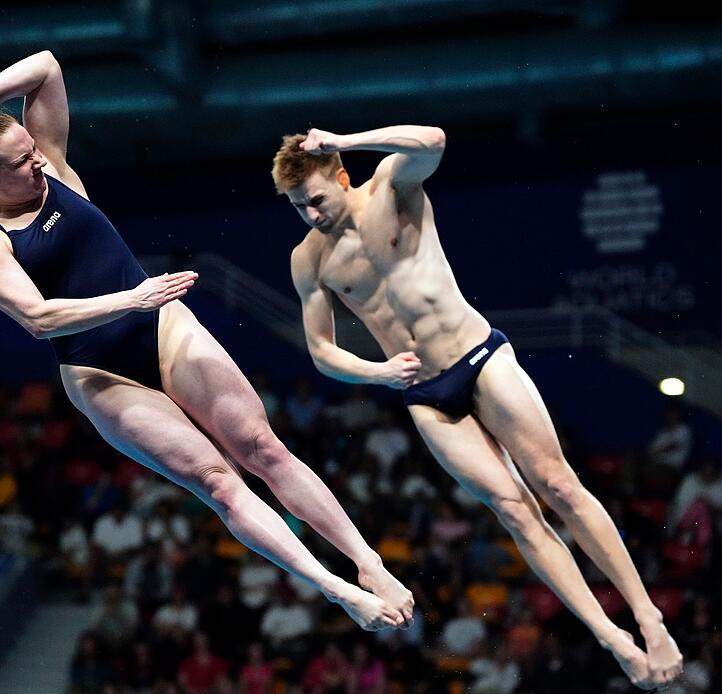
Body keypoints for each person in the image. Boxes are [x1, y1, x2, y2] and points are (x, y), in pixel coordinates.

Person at [0, 49, 411, 631]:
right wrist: (129, 298)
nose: (38, 164)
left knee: (263, 450)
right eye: (21, 163)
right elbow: (37, 317)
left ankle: (367, 562)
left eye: (33, 150)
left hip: (161, 327)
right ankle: (334, 590)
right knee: (219, 484)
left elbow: (47, 66)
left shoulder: (52, 165)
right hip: (100, 371)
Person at [273, 125, 683, 689]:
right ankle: (610, 637)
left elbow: (433, 140)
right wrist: (379, 373)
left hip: (479, 356)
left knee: (558, 486)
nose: (311, 214)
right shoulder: (309, 260)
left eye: (317, 198)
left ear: (342, 176)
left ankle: (648, 618)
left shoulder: (392, 186)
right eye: (298, 207)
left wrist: (348, 136)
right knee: (515, 512)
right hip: (423, 394)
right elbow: (320, 351)